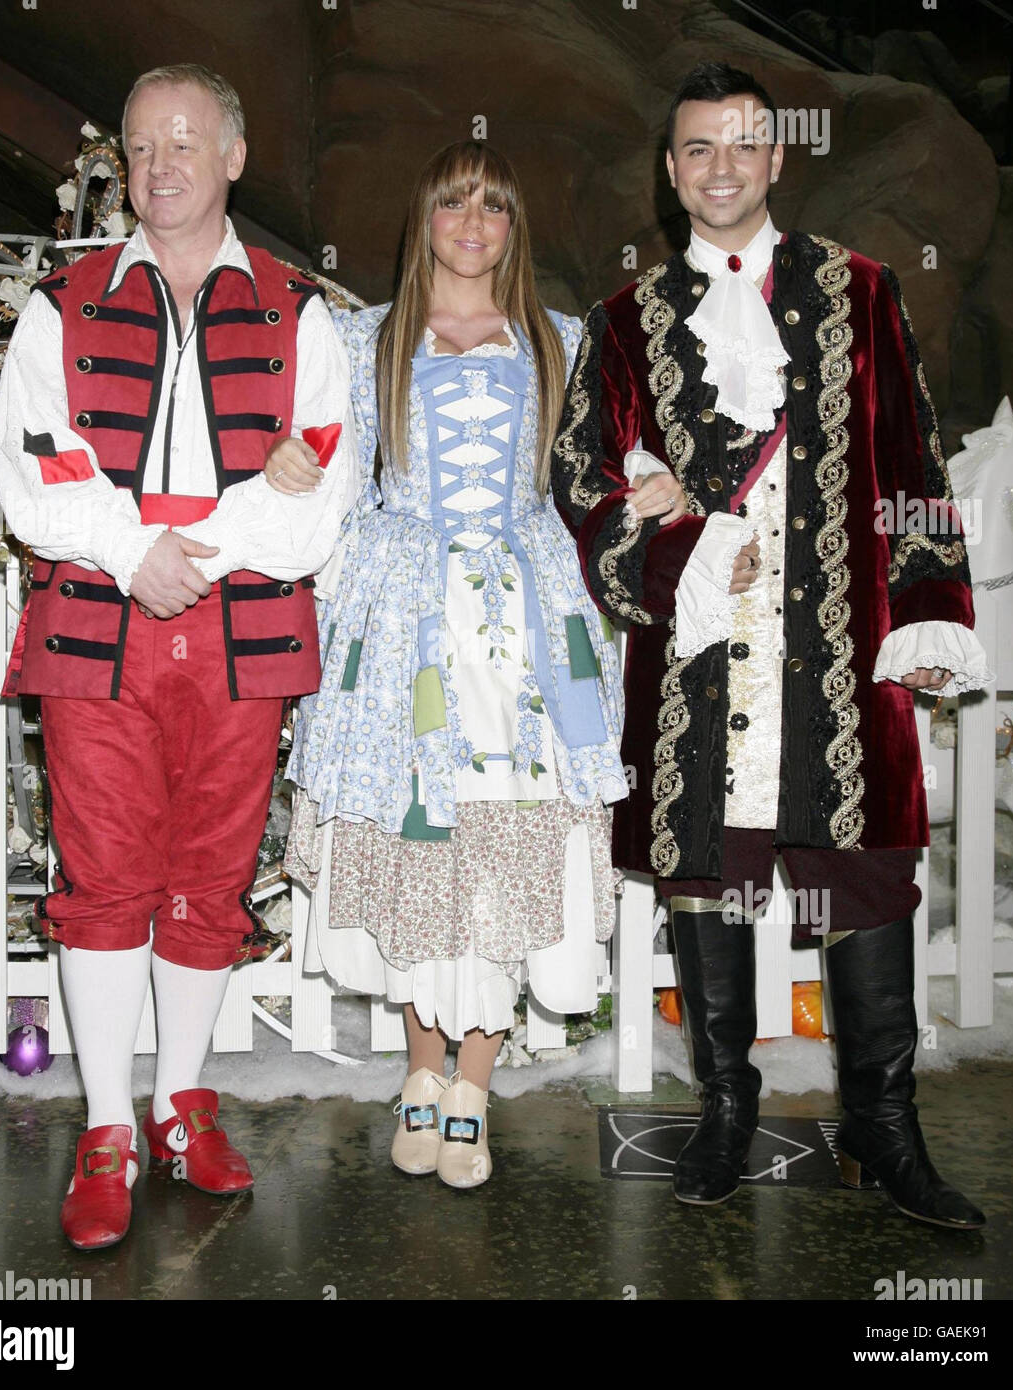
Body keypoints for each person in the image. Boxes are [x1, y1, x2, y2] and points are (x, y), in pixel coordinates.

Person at [550, 61, 991, 1228]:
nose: (719, 169)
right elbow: (578, 478)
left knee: (861, 878)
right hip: (702, 652)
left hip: (841, 658)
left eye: (740, 145)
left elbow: (912, 467)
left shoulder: (860, 292)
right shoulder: (622, 322)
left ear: (776, 153)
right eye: (695, 150)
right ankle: (724, 1114)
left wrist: (931, 604)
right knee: (705, 881)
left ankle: (883, 1129)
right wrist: (665, 552)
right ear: (669, 169)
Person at [265, 140, 680, 1188]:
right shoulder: (363, 339)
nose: (471, 221)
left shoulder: (565, 341)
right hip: (402, 613)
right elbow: (316, 458)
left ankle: (472, 1087)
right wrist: (286, 458)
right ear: (425, 218)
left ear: (513, 228)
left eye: (492, 205)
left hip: (524, 622)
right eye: (452, 200)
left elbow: (615, 449)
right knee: (421, 839)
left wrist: (650, 475)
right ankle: (417, 1068)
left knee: (508, 840)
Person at [0, 63, 357, 1249]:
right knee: (103, 875)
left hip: (242, 625)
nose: (160, 167)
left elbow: (321, 487)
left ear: (235, 158)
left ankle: (180, 1105)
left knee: (210, 870)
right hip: (98, 618)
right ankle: (104, 1126)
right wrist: (131, 546)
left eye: (186, 142)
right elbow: (33, 463)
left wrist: (188, 547)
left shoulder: (304, 313)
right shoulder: (62, 301)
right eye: (143, 146)